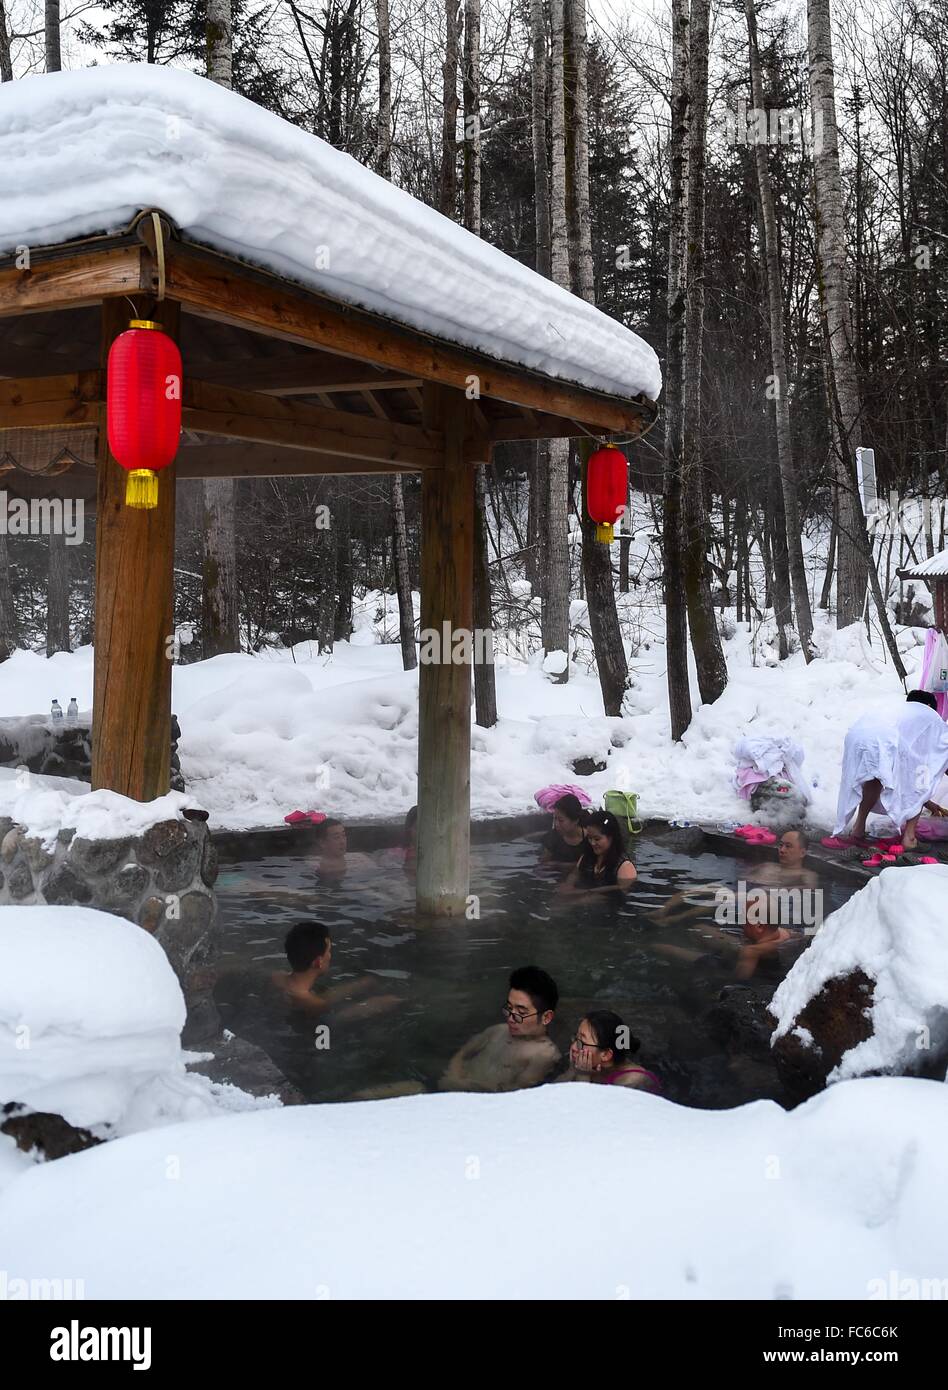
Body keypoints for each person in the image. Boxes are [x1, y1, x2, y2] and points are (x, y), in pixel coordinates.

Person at [835, 691, 948, 849]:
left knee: (873, 779)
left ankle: (857, 830)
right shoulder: (931, 718)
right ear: (931, 707)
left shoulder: (896, 710)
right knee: (918, 782)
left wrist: (928, 803)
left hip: (859, 735)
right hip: (885, 739)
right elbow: (932, 765)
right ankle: (909, 839)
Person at [439, 965, 561, 1093]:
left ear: (546, 1017)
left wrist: (460, 1085)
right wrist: (453, 1074)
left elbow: (513, 1093)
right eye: (509, 1008)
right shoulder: (498, 1030)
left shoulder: (544, 1054)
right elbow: (462, 1053)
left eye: (521, 1012)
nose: (510, 1017)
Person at [270, 920, 400, 1018]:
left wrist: (361, 984)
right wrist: (372, 1005)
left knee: (367, 982)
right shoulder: (316, 1004)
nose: (330, 955)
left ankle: (366, 984)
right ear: (318, 962)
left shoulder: (277, 977)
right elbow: (334, 1022)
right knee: (385, 1001)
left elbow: (310, 999)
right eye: (329, 951)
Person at [554, 1011, 661, 1092]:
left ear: (605, 1054)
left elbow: (591, 1114)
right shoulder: (592, 1065)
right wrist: (573, 1070)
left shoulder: (632, 1081)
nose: (573, 1047)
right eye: (575, 1038)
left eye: (581, 1043)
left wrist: (583, 1076)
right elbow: (550, 1090)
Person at [559, 810, 637, 893]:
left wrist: (585, 893)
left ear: (611, 838)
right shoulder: (586, 857)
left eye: (597, 839)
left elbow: (622, 891)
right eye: (589, 838)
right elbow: (575, 874)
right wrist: (568, 884)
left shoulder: (624, 866)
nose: (592, 843)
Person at [540, 793, 586, 865]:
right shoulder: (553, 837)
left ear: (575, 820)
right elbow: (543, 864)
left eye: (561, 820)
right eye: (555, 819)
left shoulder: (589, 840)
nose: (556, 824)